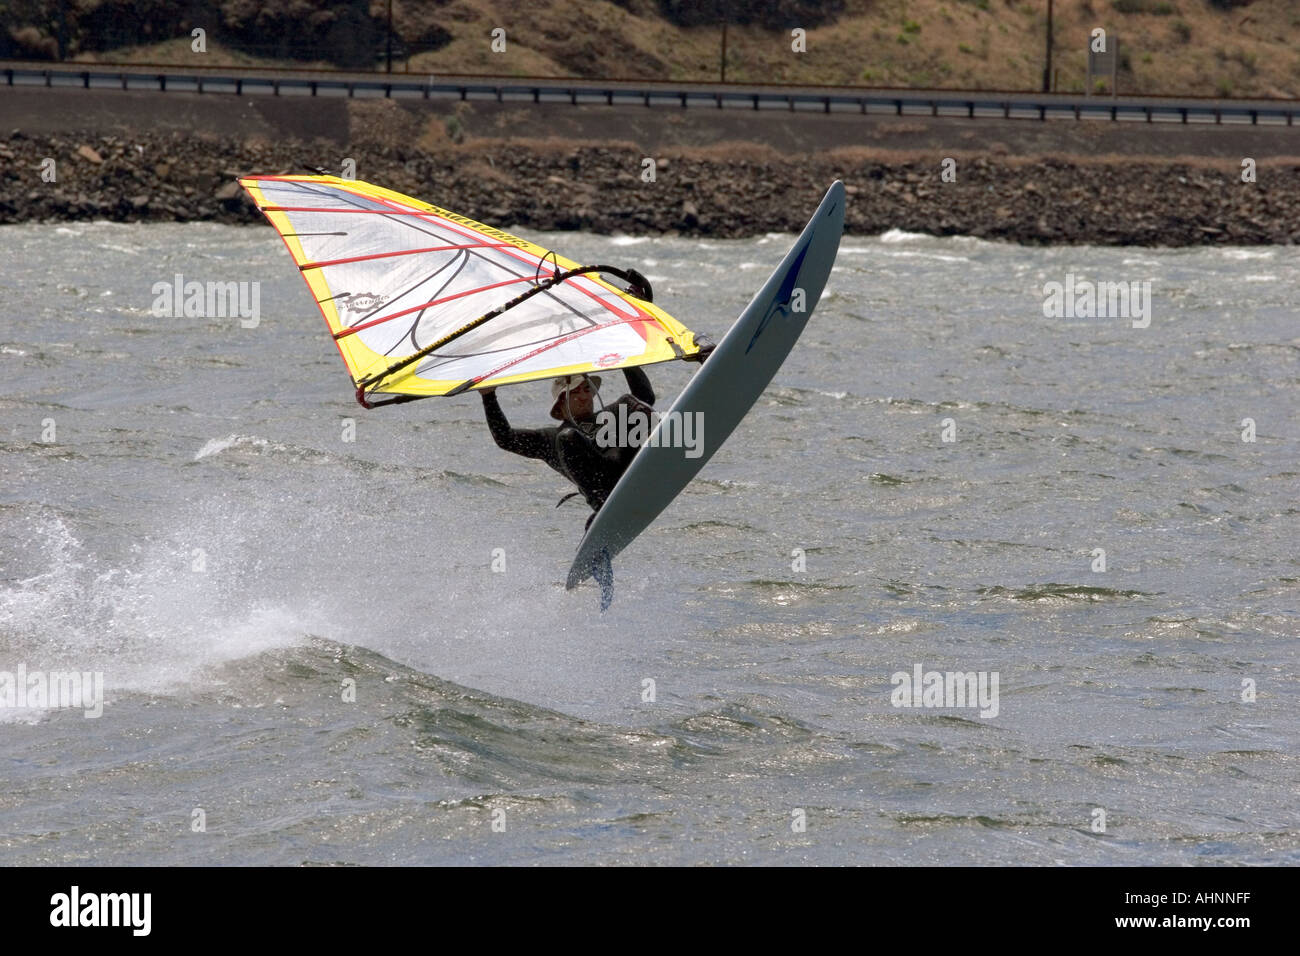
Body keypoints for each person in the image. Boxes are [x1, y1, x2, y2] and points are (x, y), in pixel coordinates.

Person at [479, 367, 657, 528]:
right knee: (568, 437)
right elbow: (505, 438)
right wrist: (488, 396)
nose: (584, 396)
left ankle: (666, 450)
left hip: (630, 469)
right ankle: (602, 505)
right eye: (575, 392)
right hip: (603, 487)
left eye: (587, 389)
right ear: (561, 404)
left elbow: (645, 397)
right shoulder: (549, 440)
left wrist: (625, 360)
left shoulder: (610, 414)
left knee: (632, 403)